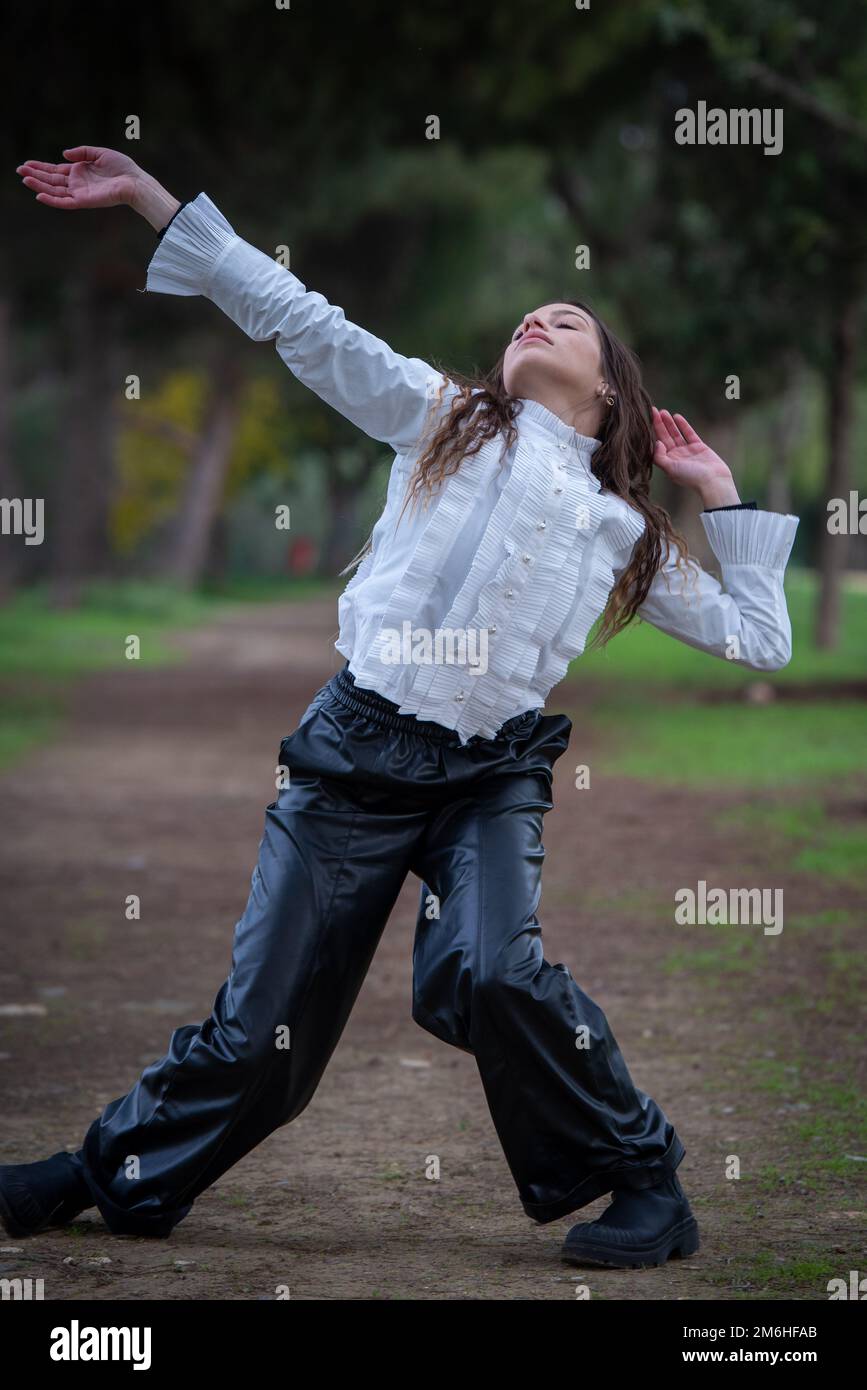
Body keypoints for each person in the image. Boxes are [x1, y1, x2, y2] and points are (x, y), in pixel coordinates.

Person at [2, 146, 799, 1270]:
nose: (537, 319)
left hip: (490, 775)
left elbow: (758, 636)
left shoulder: (625, 531)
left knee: (489, 971)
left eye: (565, 319)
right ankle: (104, 1174)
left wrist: (718, 497)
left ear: (612, 385)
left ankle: (647, 1181)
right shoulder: (440, 416)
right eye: (528, 313)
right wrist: (152, 203)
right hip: (351, 756)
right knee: (265, 1030)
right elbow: (299, 315)